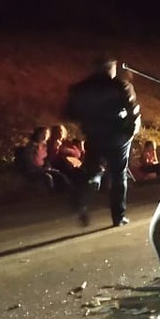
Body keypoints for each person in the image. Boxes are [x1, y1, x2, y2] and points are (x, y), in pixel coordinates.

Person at [63, 57, 141, 227]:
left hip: (95, 134)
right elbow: (133, 109)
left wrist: (87, 119)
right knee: (118, 174)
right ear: (110, 68)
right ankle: (118, 216)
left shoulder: (81, 88)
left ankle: (83, 196)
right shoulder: (120, 86)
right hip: (118, 135)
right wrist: (131, 130)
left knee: (92, 168)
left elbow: (69, 112)